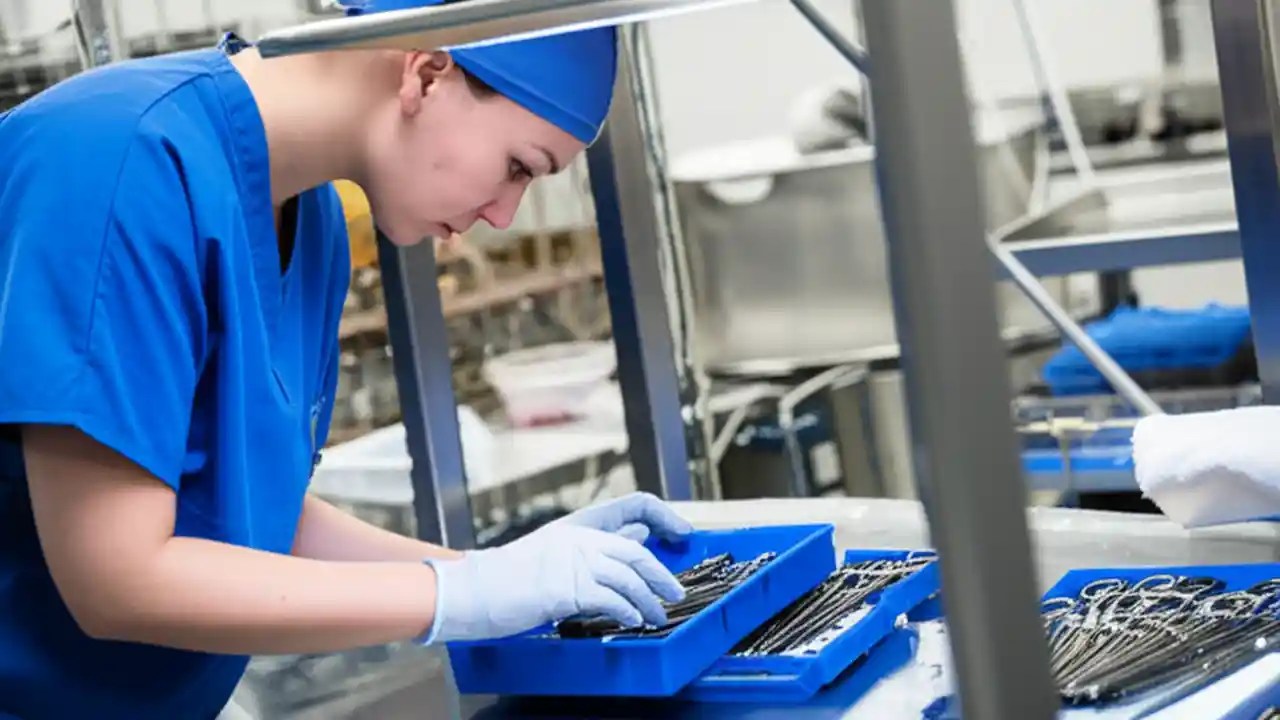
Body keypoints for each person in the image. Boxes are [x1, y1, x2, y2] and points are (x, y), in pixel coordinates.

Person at [0, 1, 694, 718]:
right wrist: (458, 597)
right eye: (517, 168)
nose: (504, 215)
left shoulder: (314, 215)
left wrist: (498, 573)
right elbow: (118, 580)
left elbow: (248, 511)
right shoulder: (117, 162)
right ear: (427, 73)